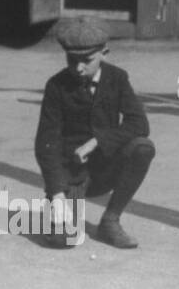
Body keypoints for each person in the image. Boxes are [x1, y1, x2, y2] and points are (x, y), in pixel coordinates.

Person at [34, 19, 155, 249]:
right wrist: (56, 192)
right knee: (63, 240)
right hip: (71, 173)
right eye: (72, 60)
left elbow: (139, 123)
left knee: (142, 147)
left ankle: (110, 221)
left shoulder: (117, 78)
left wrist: (96, 142)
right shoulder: (56, 86)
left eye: (87, 61)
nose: (78, 68)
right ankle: (59, 210)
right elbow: (45, 143)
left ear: (104, 54)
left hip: (105, 167)